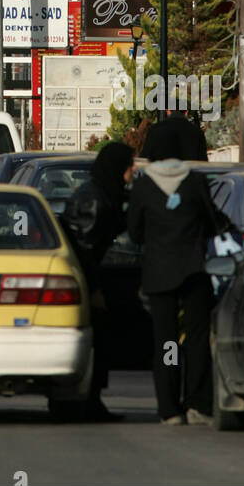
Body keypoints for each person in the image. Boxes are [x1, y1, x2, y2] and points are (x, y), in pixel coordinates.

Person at [127, 118, 235, 426]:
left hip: (159, 275)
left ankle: (169, 408)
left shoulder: (144, 186)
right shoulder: (194, 182)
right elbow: (214, 223)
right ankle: (197, 403)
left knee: (167, 341)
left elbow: (134, 233)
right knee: (198, 339)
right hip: (194, 272)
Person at [62, 142, 136, 422]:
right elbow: (86, 251)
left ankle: (93, 400)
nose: (134, 169)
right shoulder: (94, 199)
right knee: (95, 342)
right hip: (86, 282)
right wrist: (93, 290)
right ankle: (88, 401)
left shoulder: (106, 193)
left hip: (94, 280)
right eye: (130, 164)